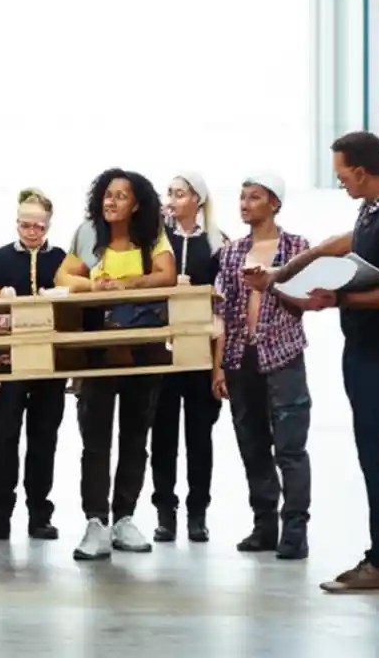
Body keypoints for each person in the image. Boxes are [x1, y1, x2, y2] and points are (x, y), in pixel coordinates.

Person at [247, 131, 379, 591]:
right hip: (365, 349)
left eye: (342, 176)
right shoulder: (375, 211)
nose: (341, 185)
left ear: (360, 170)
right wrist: (293, 265)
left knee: (377, 453)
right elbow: (345, 241)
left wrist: (338, 299)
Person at [57, 168, 177, 560]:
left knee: (134, 436)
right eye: (107, 195)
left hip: (144, 348)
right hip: (98, 350)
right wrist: (92, 285)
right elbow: (63, 274)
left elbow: (167, 276)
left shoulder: (153, 235)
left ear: (137, 203)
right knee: (95, 438)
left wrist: (125, 285)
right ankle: (96, 521)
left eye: (121, 196)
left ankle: (125, 518)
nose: (111, 201)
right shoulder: (88, 232)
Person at [212, 173, 313, 560]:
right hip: (241, 359)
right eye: (241, 197)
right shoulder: (232, 252)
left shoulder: (297, 248)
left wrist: (270, 284)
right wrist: (219, 366)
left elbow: (306, 301)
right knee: (252, 444)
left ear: (274, 203)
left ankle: (295, 530)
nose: (245, 204)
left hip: (284, 356)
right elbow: (221, 313)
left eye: (254, 197)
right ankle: (264, 525)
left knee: (290, 447)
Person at [0, 188, 70, 541]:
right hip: (6, 364)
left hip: (48, 365)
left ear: (48, 226)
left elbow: (71, 315)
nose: (31, 232)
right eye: (25, 224)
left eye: (38, 226)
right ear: (16, 223)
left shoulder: (62, 260)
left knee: (44, 440)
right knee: (3, 440)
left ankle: (39, 514)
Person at [150, 171, 226, 543]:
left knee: (200, 436)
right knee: (162, 435)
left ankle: (198, 513)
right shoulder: (155, 241)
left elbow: (224, 305)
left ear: (198, 200)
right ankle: (165, 511)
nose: (173, 199)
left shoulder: (216, 242)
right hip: (163, 350)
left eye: (181, 193)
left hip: (198, 350)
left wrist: (218, 364)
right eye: (170, 193)